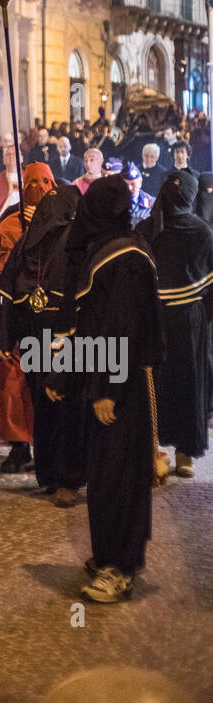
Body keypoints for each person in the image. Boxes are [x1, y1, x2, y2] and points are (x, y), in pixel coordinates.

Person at [48, 177, 163, 604]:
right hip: (105, 381)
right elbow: (90, 326)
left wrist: (107, 389)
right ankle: (108, 555)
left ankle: (121, 567)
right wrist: (67, 375)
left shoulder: (126, 257)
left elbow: (122, 327)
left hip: (123, 387)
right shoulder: (108, 250)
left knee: (122, 479)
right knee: (105, 477)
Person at [0, 185, 86, 507]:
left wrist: (6, 338)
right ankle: (53, 475)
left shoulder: (74, 243)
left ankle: (65, 477)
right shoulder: (30, 243)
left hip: (63, 338)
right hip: (44, 337)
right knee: (49, 408)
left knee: (61, 407)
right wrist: (6, 336)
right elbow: (11, 296)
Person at [139, 171, 213, 479]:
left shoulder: (146, 228)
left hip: (153, 317)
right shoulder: (202, 231)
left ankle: (150, 446)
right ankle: (185, 452)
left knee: (154, 384)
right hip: (189, 319)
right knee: (190, 384)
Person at [0, 163, 56, 473]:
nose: (39, 188)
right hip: (18, 315)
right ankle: (19, 445)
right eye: (32, 182)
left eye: (45, 181)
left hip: (53, 320)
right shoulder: (9, 225)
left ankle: (51, 448)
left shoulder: (65, 219)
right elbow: (1, 273)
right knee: (14, 383)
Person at [122, 162, 153, 228]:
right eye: (125, 185)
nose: (129, 188)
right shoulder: (112, 202)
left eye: (133, 184)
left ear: (140, 182)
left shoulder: (152, 203)